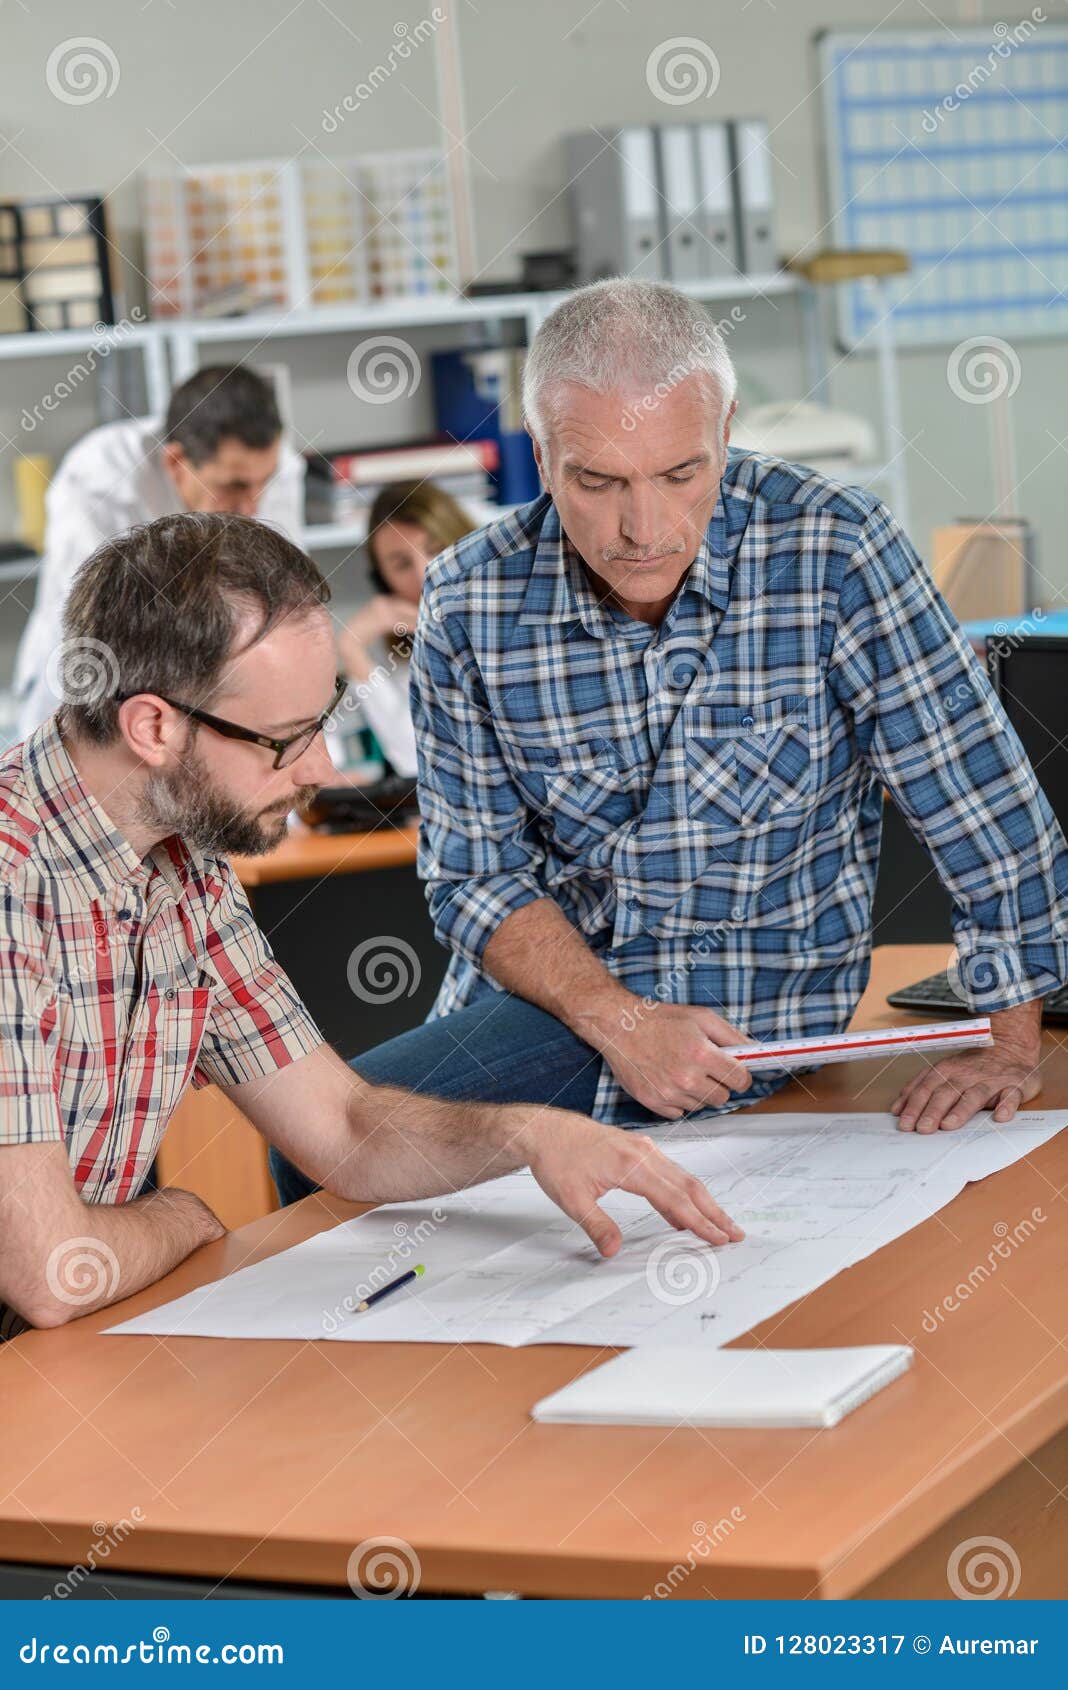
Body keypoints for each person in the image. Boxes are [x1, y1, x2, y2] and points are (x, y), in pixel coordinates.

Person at [271, 277, 1068, 1207]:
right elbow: (474, 878)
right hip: (558, 1014)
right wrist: (623, 1021)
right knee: (318, 1150)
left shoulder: (835, 550)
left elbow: (979, 804)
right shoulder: (470, 598)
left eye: (681, 474)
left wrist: (1013, 1045)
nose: (643, 529)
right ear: (542, 452)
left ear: (726, 430)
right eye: (598, 481)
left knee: (328, 1155)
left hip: (751, 1031)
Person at [0, 510, 744, 1341]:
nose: (323, 768)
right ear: (153, 727)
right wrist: (179, 1216)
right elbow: (52, 1269)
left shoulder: (185, 867)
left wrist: (532, 1135)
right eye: (287, 741)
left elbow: (343, 1128)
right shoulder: (10, 882)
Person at [14, 365, 305, 736]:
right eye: (234, 486)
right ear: (175, 462)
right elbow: (91, 619)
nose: (253, 508)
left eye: (264, 484)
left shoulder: (275, 468)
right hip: (86, 670)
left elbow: (284, 598)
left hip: (210, 676)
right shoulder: (98, 478)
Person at [335, 481, 476, 777]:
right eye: (401, 564)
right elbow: (416, 761)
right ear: (384, 583)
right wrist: (351, 649)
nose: (424, 573)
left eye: (436, 549)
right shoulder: (405, 658)